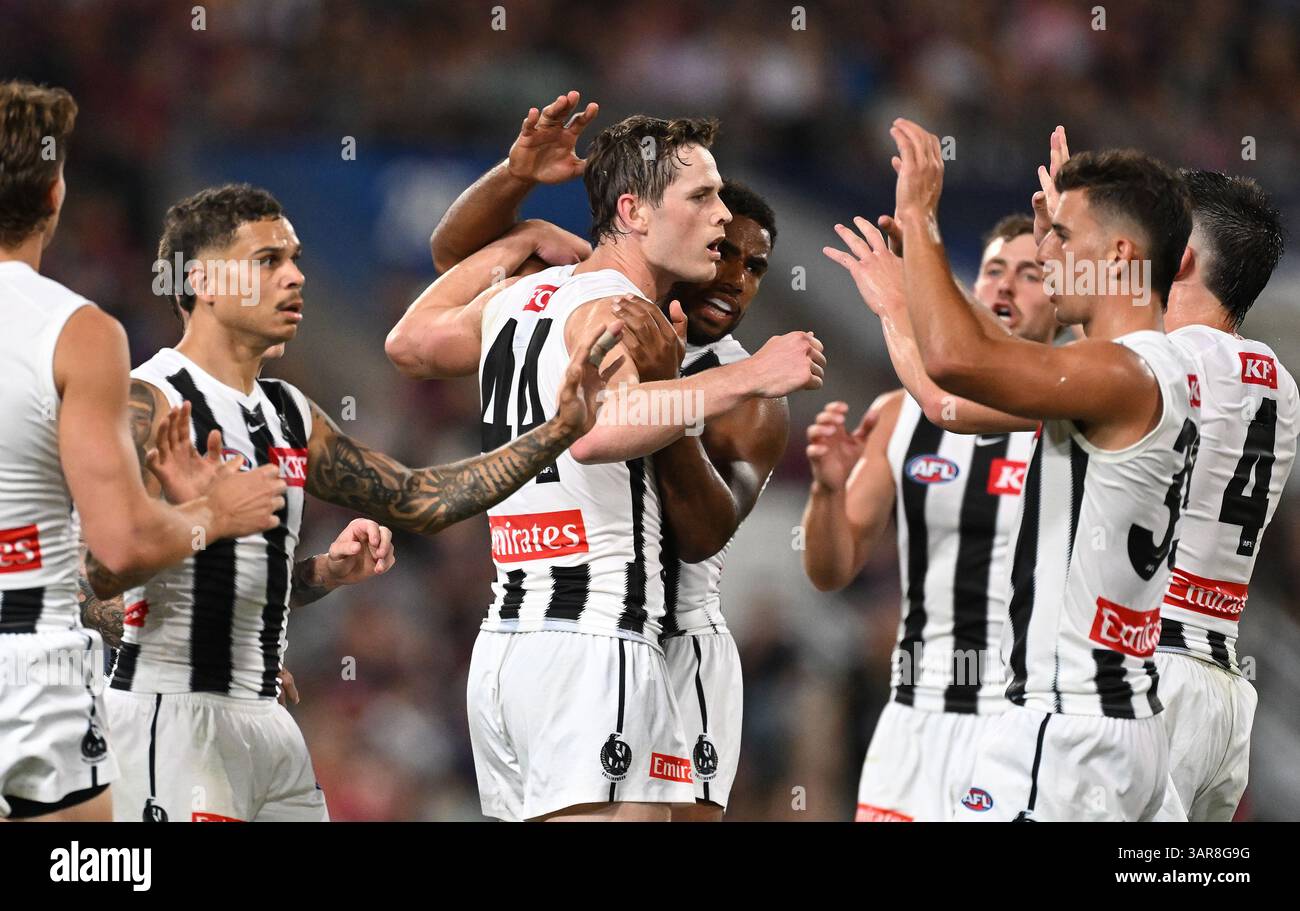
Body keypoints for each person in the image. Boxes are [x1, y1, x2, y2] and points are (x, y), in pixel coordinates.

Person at [80, 183, 621, 822]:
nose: (295, 277)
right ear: (203, 281)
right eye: (268, 261)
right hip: (170, 716)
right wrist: (200, 519)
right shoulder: (148, 403)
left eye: (296, 259)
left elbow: (422, 499)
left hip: (268, 724)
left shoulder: (287, 413)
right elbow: (90, 582)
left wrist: (558, 430)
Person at [390, 94, 824, 821]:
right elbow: (599, 427)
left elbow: (411, 341)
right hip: (600, 639)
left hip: (509, 641)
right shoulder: (623, 309)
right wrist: (748, 375)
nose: (722, 227)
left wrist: (510, 244)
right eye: (705, 198)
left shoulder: (527, 296)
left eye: (753, 262)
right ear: (635, 212)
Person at [835, 119, 1198, 821]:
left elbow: (954, 363)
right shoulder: (1155, 369)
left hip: (1065, 731)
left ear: (1120, 253)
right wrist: (1064, 225)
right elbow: (949, 404)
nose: (1046, 253)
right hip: (1125, 719)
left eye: (1061, 241)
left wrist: (918, 221)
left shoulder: (1114, 373)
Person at [0, 81, 283, 823]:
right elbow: (120, 545)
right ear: (56, 193)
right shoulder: (76, 330)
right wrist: (212, 511)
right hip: (31, 666)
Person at [808, 213, 1052, 821]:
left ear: (1061, 297)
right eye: (994, 270)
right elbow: (832, 569)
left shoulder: (1069, 412)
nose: (1004, 287)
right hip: (913, 715)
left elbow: (947, 399)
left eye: (1029, 274)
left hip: (1017, 719)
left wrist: (900, 301)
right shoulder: (898, 415)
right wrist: (826, 492)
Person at [1153, 169, 1296, 821]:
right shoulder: (1282, 384)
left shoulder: (1165, 359)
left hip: (1153, 672)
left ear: (1180, 255)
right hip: (1223, 689)